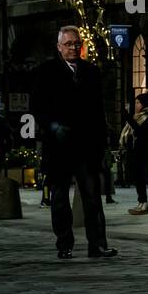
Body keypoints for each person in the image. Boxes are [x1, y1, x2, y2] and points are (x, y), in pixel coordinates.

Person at [31, 26, 116, 259]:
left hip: (87, 145)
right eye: (68, 44)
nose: (73, 48)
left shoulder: (90, 71)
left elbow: (99, 110)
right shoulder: (46, 71)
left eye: (76, 43)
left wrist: (103, 142)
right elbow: (37, 107)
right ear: (59, 47)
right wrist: (52, 126)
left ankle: (97, 244)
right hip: (59, 145)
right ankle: (64, 243)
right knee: (59, 198)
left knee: (92, 197)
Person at [124, 89, 148, 215]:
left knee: (141, 178)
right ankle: (140, 202)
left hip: (142, 151)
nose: (136, 105)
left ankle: (145, 204)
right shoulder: (137, 117)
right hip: (135, 150)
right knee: (137, 178)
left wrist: (129, 118)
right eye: (136, 102)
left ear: (144, 104)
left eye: (138, 102)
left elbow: (140, 132)